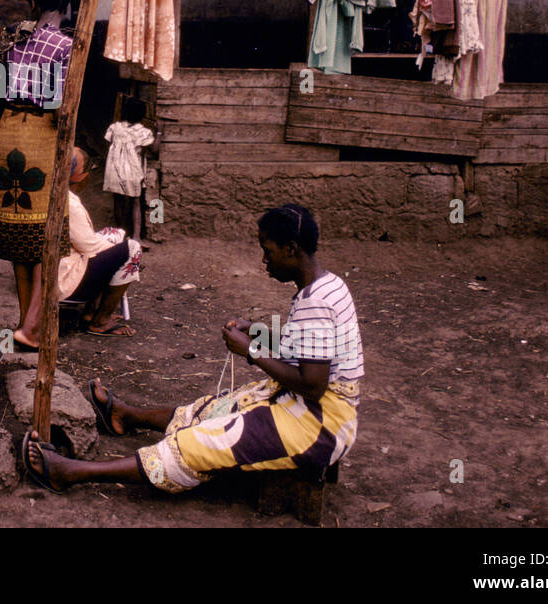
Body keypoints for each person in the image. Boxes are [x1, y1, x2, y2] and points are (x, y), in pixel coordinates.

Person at [22, 203, 362, 492]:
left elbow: (313, 386)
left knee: (196, 445)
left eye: (268, 250)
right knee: (214, 409)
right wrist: (256, 331)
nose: (264, 260)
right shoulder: (326, 286)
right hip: (311, 409)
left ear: (291, 248)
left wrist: (252, 352)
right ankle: (124, 415)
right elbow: (309, 348)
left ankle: (73, 474)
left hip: (320, 426)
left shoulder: (317, 301)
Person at [0, 0, 73, 350]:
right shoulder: (68, 46)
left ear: (33, 4)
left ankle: (26, 322)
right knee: (46, 237)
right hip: (41, 135)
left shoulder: (11, 36)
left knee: (21, 235)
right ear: (63, 4)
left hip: (7, 132)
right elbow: (60, 106)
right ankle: (33, 329)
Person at [56, 148, 141, 339]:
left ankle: (90, 311)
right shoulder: (69, 203)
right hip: (66, 280)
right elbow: (89, 247)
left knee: (114, 235)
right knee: (132, 249)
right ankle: (100, 321)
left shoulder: (55, 192)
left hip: (63, 266)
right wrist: (117, 248)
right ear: (80, 176)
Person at [103, 97, 157, 242]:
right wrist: (159, 134)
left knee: (118, 201)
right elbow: (154, 150)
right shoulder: (143, 132)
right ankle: (136, 237)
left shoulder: (114, 128)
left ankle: (120, 234)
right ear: (142, 115)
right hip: (133, 172)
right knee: (136, 202)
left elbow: (108, 144)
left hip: (115, 170)